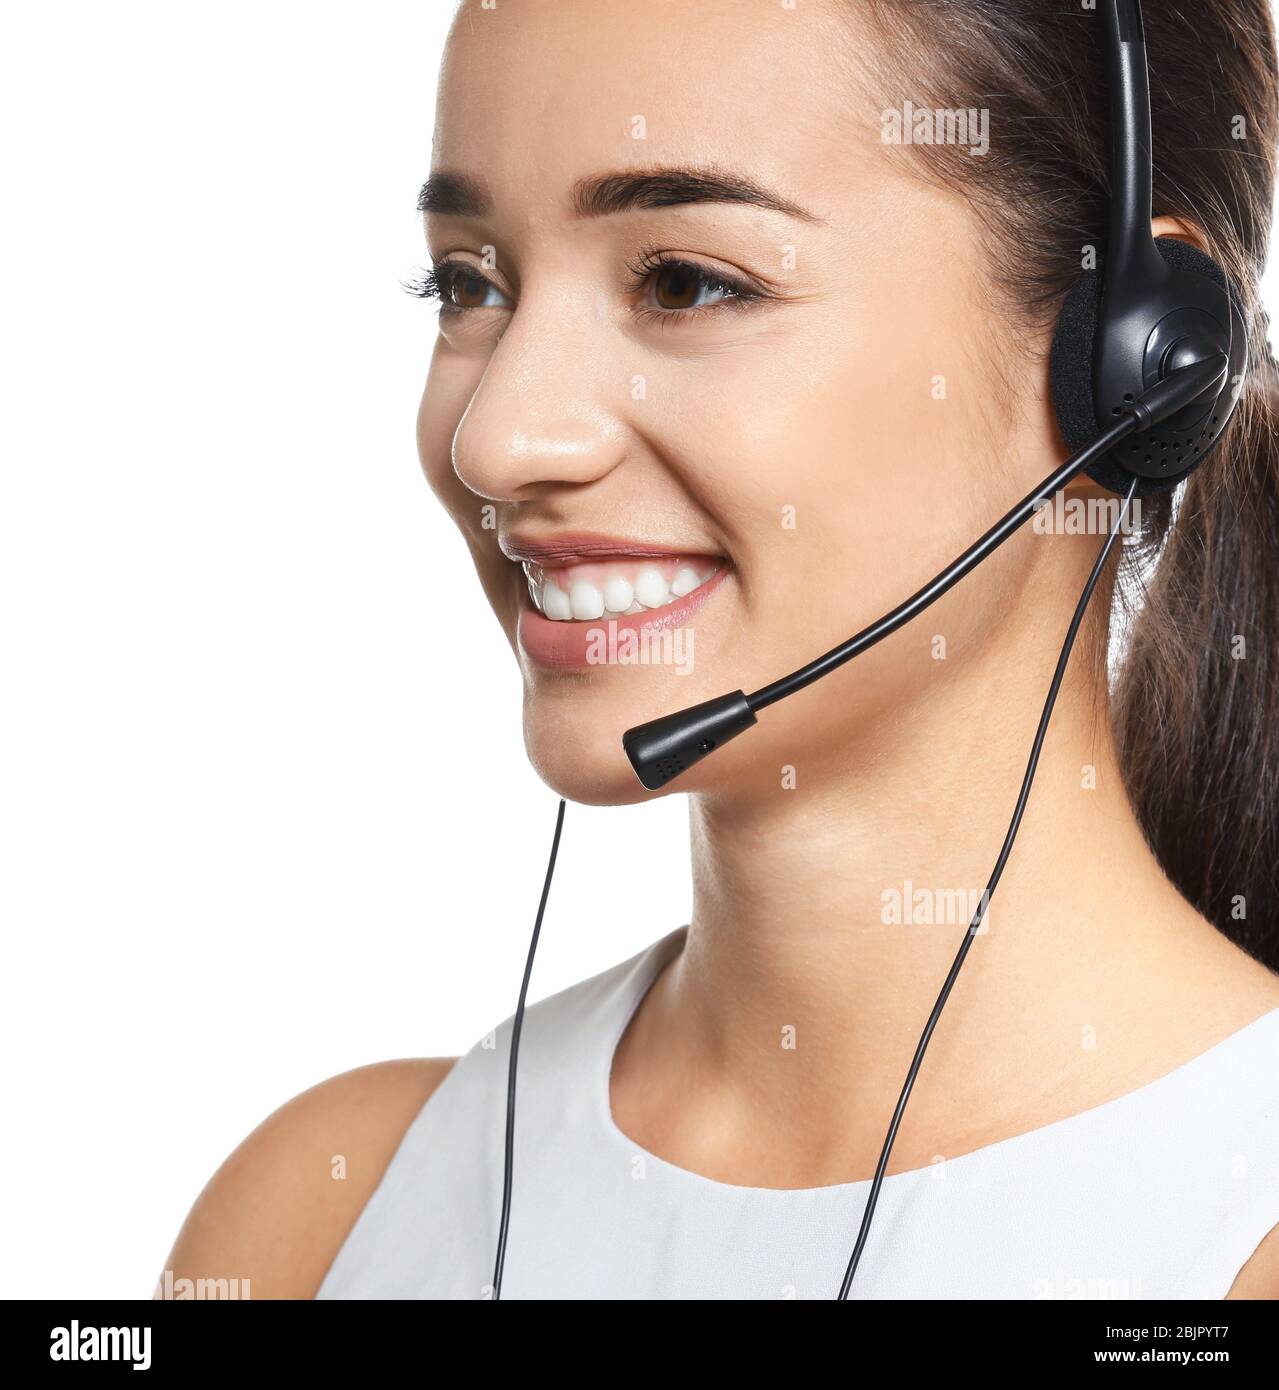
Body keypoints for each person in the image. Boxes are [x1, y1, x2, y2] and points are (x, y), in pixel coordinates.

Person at [163, 0, 1279, 1299]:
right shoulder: (312, 1220)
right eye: (470, 283)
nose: (498, 441)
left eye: (686, 281)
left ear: (1135, 365)